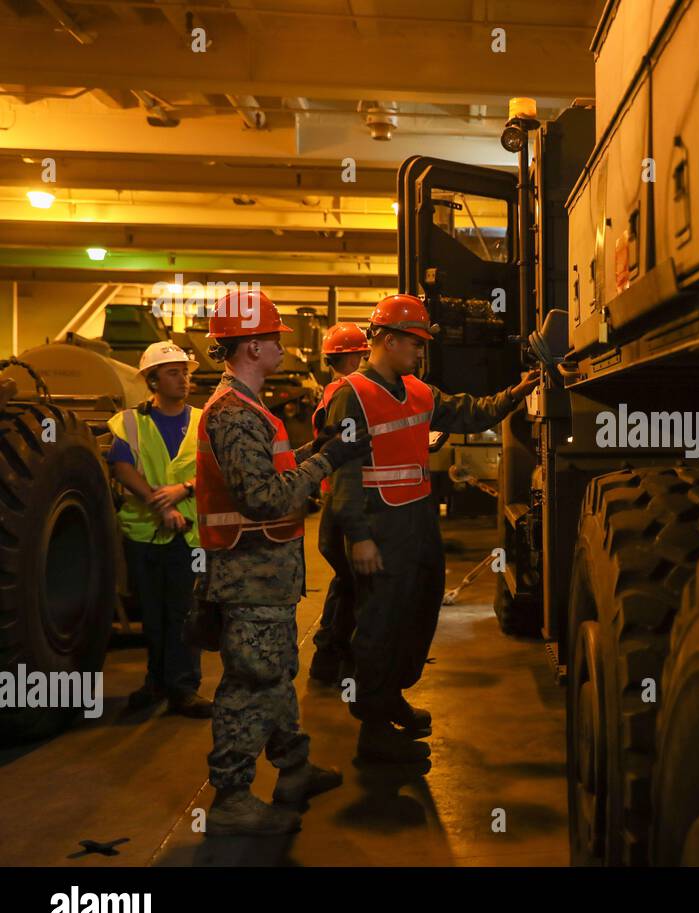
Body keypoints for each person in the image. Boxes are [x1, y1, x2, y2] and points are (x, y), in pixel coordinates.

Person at [325, 294, 539, 763]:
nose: (420, 353)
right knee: (380, 622)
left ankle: (392, 695)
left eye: (422, 345)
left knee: (416, 611)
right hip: (378, 526)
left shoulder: (419, 390)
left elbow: (472, 412)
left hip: (417, 520)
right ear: (383, 339)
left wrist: (517, 393)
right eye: (413, 343)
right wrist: (357, 536)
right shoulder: (351, 395)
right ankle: (374, 729)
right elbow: (341, 472)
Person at [196, 288, 371, 837]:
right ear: (250, 346)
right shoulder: (232, 415)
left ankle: (293, 770)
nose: (281, 346)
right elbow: (264, 498)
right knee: (251, 682)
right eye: (274, 338)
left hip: (265, 573)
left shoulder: (248, 409)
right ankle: (230, 797)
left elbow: (268, 475)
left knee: (274, 673)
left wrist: (309, 449)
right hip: (248, 575)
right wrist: (326, 459)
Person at [107, 341, 211, 718]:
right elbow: (122, 467)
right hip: (144, 532)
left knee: (186, 611)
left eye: (185, 372)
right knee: (152, 613)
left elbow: (215, 469)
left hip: (192, 536)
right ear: (152, 379)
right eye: (173, 372)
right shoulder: (131, 422)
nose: (183, 378)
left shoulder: (204, 420)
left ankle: (184, 688)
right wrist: (159, 502)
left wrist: (184, 489)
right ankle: (156, 681)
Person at [308, 322, 368, 684]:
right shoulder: (345, 393)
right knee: (353, 583)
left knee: (346, 582)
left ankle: (330, 657)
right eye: (362, 356)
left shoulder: (332, 390)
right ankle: (332, 656)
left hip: (332, 495)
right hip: (339, 498)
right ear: (351, 358)